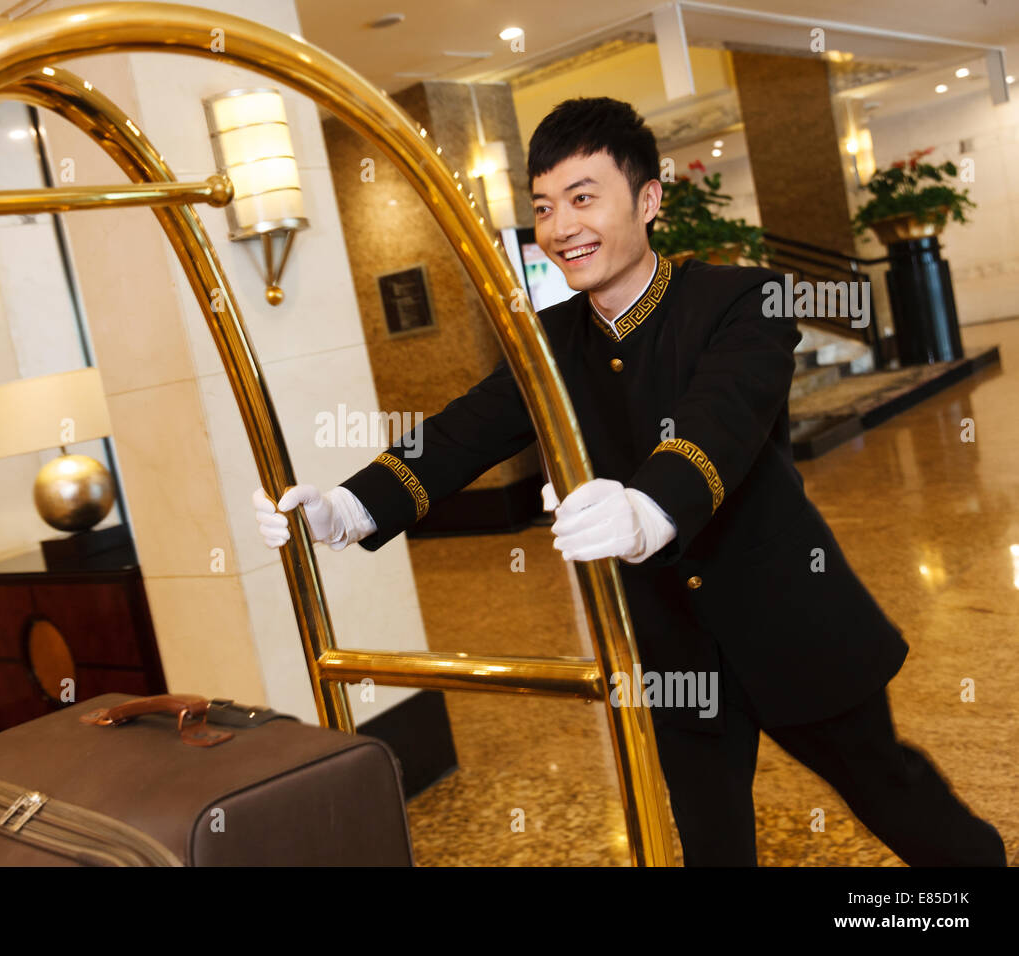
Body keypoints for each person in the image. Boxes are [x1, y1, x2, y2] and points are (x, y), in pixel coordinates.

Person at [253, 97, 1006, 867]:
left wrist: (647, 509)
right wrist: (347, 504)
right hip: (669, 649)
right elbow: (457, 434)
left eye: (584, 198)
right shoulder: (549, 343)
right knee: (710, 848)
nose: (561, 227)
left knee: (907, 810)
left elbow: (724, 416)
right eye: (545, 207)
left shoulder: (741, 300)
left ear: (648, 200)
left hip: (790, 622)